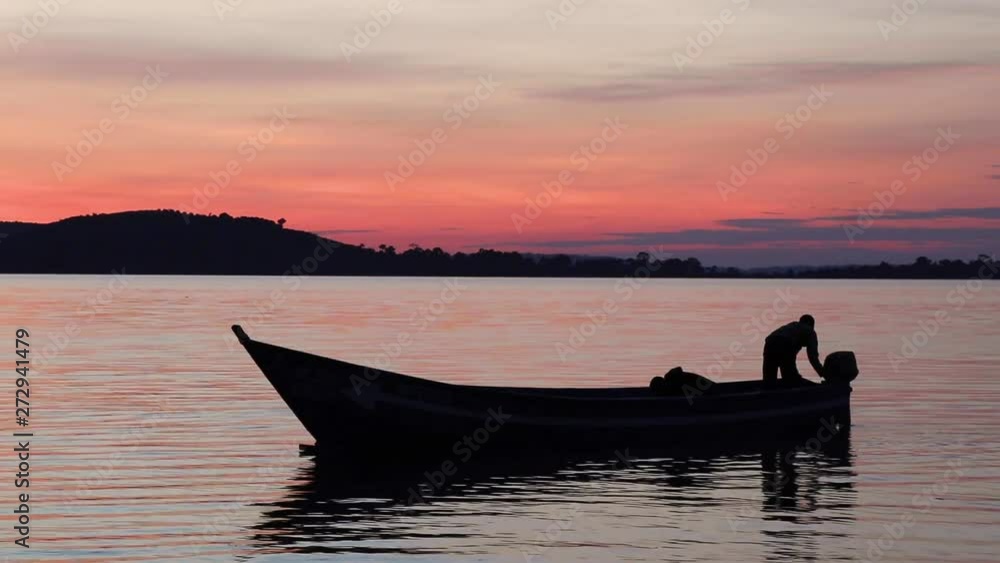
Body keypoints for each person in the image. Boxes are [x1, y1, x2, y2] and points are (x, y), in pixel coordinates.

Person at [762, 314, 823, 385]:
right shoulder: (810, 331)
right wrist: (822, 373)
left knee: (769, 378)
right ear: (812, 325)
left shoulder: (792, 326)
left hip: (770, 342)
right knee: (791, 377)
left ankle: (769, 391)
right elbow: (813, 357)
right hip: (785, 343)